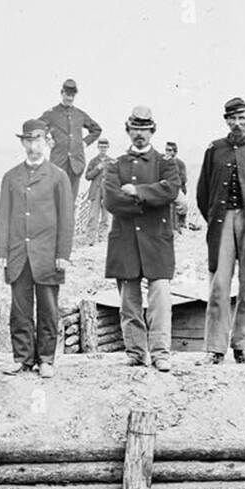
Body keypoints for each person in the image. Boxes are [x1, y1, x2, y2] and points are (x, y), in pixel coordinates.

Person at [195, 97, 245, 365]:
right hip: (222, 223)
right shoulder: (214, 150)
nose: (237, 123)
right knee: (219, 285)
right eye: (233, 118)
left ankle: (243, 346)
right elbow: (203, 192)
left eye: (242, 118)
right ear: (226, 120)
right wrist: (216, 218)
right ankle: (215, 349)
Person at [0, 119, 74, 378]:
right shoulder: (10, 177)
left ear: (47, 142)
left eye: (38, 141)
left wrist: (63, 254)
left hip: (48, 256)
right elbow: (3, 217)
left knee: (48, 309)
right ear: (22, 143)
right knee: (19, 309)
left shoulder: (58, 177)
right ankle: (22, 358)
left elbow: (66, 219)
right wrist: (2, 253)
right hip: (18, 255)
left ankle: (46, 359)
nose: (33, 147)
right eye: (28, 141)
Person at [105, 108, 182, 372]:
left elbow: (171, 190)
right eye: (135, 129)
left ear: (153, 131)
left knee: (160, 299)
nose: (140, 134)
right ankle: (136, 352)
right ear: (128, 131)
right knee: (129, 301)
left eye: (145, 129)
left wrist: (136, 191)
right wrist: (151, 198)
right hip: (125, 242)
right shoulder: (116, 164)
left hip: (157, 241)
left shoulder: (166, 163)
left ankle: (161, 353)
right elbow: (111, 201)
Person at [38, 78, 102, 201]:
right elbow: (36, 128)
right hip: (58, 162)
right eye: (67, 95)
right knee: (57, 199)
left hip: (76, 164)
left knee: (70, 201)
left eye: (72, 95)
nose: (70, 98)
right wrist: (46, 138)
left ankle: (69, 220)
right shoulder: (51, 113)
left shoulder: (80, 114)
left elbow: (97, 129)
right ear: (62, 93)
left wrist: (85, 142)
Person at [83, 138, 112, 244]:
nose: (103, 149)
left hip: (107, 192)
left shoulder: (112, 162)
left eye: (105, 147)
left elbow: (116, 177)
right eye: (101, 147)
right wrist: (97, 168)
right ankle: (90, 239)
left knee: (105, 217)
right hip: (95, 191)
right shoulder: (93, 161)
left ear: (108, 148)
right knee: (93, 216)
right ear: (98, 147)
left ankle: (102, 238)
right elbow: (87, 176)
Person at [164, 141, 188, 230]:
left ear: (175, 152)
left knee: (183, 204)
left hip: (177, 188)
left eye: (170, 150)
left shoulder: (180, 163)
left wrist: (173, 183)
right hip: (165, 187)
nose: (168, 152)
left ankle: (181, 223)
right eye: (166, 150)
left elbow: (183, 179)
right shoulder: (162, 162)